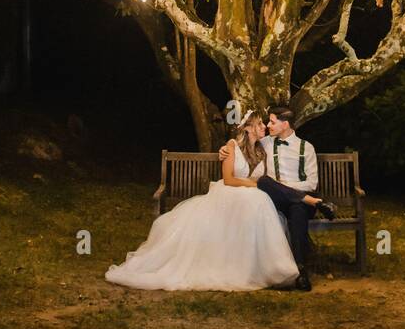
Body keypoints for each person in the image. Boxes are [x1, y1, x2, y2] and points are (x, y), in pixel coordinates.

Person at [104, 111, 307, 291]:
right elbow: (228, 179)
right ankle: (243, 267)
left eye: (265, 123)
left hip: (252, 196)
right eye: (260, 124)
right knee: (256, 203)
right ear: (247, 128)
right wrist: (254, 185)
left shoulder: (262, 149)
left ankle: (267, 267)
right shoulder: (231, 146)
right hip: (230, 193)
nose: (264, 127)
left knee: (259, 204)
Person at [218, 105, 336, 291]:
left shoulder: (307, 148)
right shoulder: (265, 143)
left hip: (302, 199)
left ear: (285, 124)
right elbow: (242, 145)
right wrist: (224, 150)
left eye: (272, 122)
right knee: (264, 181)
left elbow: (312, 183)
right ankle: (318, 205)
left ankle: (301, 271)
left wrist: (285, 190)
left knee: (297, 210)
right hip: (276, 199)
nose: (268, 125)